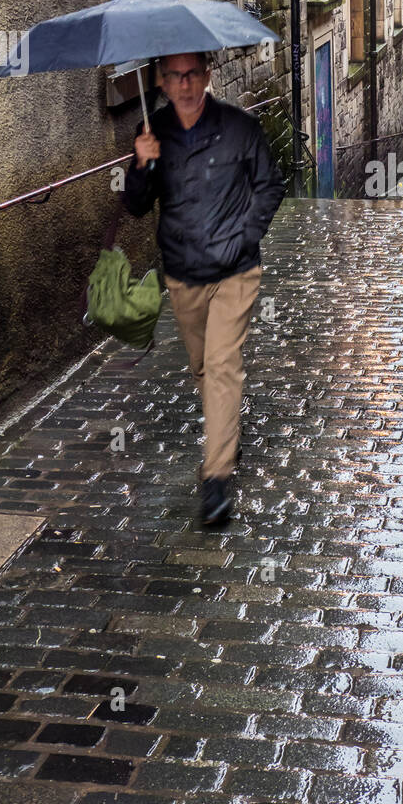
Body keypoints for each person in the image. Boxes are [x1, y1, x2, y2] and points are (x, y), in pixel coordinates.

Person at [124, 52, 285, 524]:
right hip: (183, 273)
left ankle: (216, 477)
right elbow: (135, 206)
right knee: (202, 365)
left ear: (208, 75)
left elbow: (269, 185)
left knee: (219, 363)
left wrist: (244, 237)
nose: (185, 84)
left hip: (234, 270)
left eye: (193, 73)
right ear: (162, 81)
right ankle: (224, 423)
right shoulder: (152, 132)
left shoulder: (239, 127)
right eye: (174, 75)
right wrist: (140, 166)